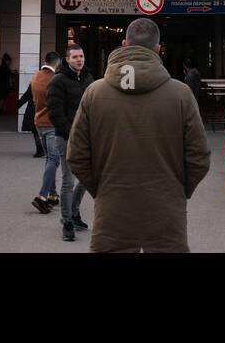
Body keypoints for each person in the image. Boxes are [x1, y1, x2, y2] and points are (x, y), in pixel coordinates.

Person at [67, 18, 210, 252]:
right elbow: (199, 157)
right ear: (157, 49)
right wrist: (177, 191)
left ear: (124, 45)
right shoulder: (181, 94)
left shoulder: (94, 93)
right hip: (166, 212)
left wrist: (102, 189)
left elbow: (76, 155)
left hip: (112, 210)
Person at [45, 44, 96, 241]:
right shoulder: (58, 81)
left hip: (86, 137)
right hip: (65, 137)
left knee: (86, 177)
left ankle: (74, 213)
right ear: (67, 60)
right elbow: (55, 114)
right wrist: (72, 134)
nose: (79, 60)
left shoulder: (88, 78)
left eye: (81, 56)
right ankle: (66, 221)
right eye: (74, 57)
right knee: (68, 180)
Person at [29, 51, 60, 214]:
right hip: (52, 124)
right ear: (58, 62)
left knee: (50, 159)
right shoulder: (55, 79)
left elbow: (35, 100)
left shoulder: (35, 76)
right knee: (54, 159)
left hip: (38, 122)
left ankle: (53, 195)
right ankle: (42, 196)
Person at [16, 80, 43, 157]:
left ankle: (40, 150)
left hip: (33, 111)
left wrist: (18, 105)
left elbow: (25, 97)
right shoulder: (49, 83)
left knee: (36, 132)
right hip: (45, 111)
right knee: (46, 132)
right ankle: (47, 150)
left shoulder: (34, 85)